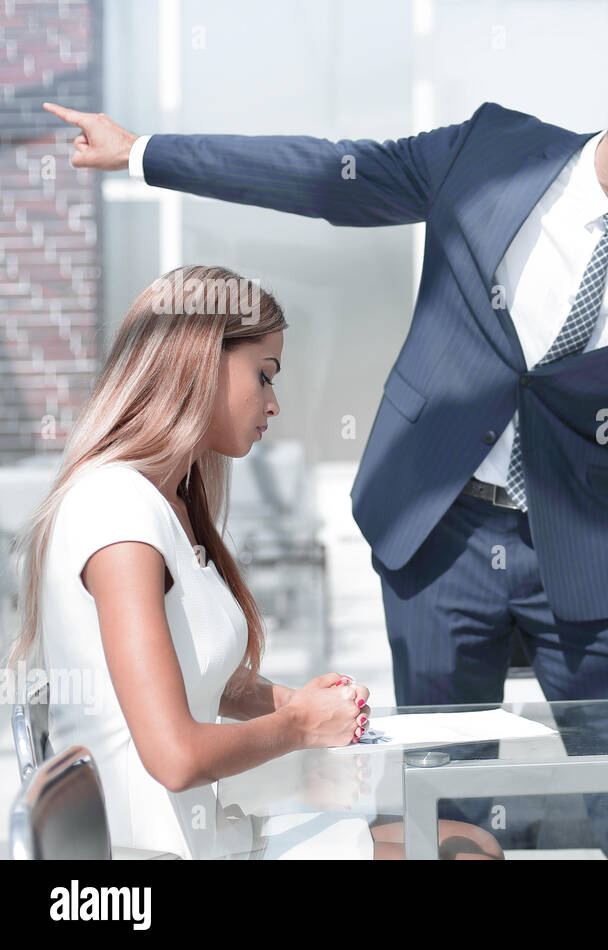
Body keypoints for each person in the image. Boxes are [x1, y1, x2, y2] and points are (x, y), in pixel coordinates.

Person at [42, 36, 608, 710]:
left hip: (590, 562)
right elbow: (328, 176)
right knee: (446, 803)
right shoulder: (488, 156)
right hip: (435, 535)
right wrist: (144, 153)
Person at [4, 266, 498, 860]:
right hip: (155, 858)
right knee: (465, 853)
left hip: (215, 837)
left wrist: (294, 702)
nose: (274, 403)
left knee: (469, 841)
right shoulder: (116, 510)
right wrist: (298, 729)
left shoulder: (169, 502)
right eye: (262, 377)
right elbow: (175, 756)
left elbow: (196, 673)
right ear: (199, 360)